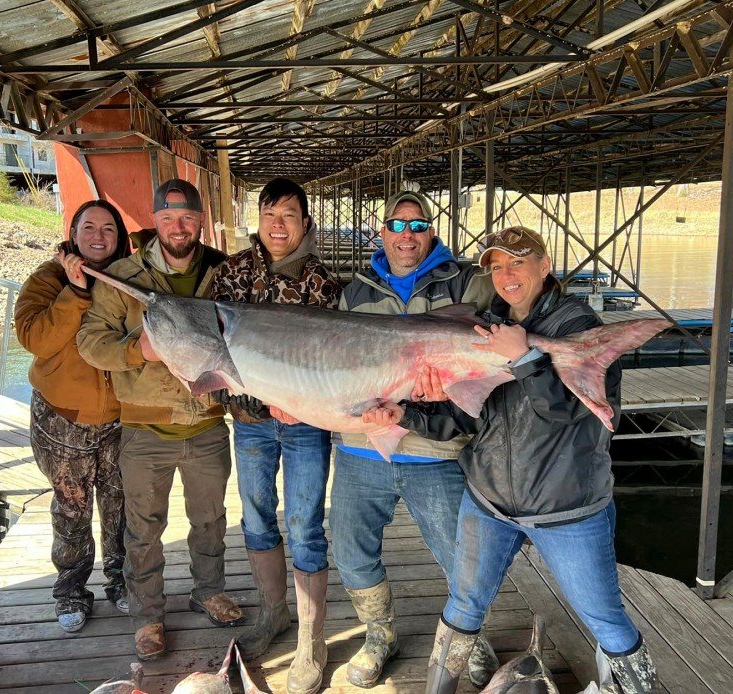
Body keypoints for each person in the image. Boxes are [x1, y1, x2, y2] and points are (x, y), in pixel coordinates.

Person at [363, 226, 658, 694]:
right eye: (496, 266)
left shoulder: (579, 329)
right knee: (463, 605)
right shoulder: (483, 328)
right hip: (489, 499)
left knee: (604, 615)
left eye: (518, 262)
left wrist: (523, 357)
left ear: (545, 265)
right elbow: (466, 415)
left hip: (567, 506)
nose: (506, 274)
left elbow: (563, 412)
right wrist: (406, 414)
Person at [329, 188, 498, 689]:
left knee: (459, 553)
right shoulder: (356, 290)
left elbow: (493, 344)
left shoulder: (466, 281)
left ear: (432, 230)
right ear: (382, 232)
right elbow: (335, 361)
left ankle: (470, 635)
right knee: (351, 548)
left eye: (418, 225)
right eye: (398, 226)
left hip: (436, 449)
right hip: (362, 443)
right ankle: (379, 635)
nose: (408, 235)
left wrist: (440, 388)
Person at [76, 179, 244, 661]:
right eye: (168, 218)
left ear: (200, 222)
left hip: (209, 422)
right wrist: (138, 349)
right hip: (145, 430)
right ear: (155, 221)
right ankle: (148, 616)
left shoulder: (222, 272)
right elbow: (91, 344)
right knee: (143, 529)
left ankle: (208, 590)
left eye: (187, 218)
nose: (178, 226)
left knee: (210, 519)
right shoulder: (124, 276)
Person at [210, 178, 340, 694]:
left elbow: (332, 359)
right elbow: (212, 352)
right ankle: (274, 614)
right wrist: (255, 403)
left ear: (305, 223)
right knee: (258, 518)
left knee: (306, 523)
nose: (278, 224)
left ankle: (312, 639)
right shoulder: (231, 273)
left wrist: (301, 403)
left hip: (306, 422)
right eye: (269, 214)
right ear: (257, 220)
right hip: (251, 425)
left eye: (288, 214)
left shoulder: (321, 281)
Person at [14, 200, 131, 633]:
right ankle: (70, 590)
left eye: (108, 229)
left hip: (120, 418)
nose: (98, 236)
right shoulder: (47, 279)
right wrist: (76, 290)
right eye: (89, 227)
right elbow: (35, 339)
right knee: (71, 510)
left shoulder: (129, 280)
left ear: (120, 238)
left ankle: (121, 582)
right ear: (74, 231)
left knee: (120, 507)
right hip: (63, 420)